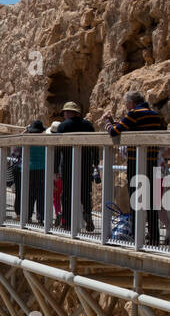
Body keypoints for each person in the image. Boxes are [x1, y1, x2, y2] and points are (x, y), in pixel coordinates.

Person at [102, 91, 165, 245]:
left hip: (136, 163)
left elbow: (114, 132)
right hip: (153, 162)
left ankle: (137, 237)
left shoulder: (133, 114)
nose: (126, 107)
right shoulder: (155, 115)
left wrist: (108, 123)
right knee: (153, 202)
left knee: (136, 200)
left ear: (131, 103)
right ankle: (154, 237)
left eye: (126, 104)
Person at [56, 101, 97, 231]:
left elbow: (57, 148)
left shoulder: (63, 126)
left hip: (68, 165)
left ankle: (67, 222)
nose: (64, 115)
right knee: (85, 192)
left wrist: (55, 168)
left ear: (68, 113)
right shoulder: (88, 125)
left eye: (65, 113)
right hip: (85, 164)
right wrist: (95, 163)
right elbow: (94, 146)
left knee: (67, 194)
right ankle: (87, 215)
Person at [23, 120, 46, 224]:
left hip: (29, 168)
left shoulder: (28, 139)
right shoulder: (44, 140)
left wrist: (26, 130)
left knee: (30, 194)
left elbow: (19, 140)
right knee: (41, 194)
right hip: (42, 169)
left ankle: (27, 216)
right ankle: (40, 218)